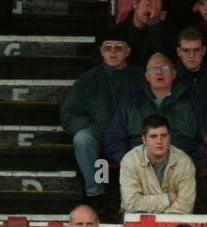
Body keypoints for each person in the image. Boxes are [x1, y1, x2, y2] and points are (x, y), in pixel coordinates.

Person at [61, 28, 145, 212]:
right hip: (100, 141)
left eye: (119, 47)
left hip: (132, 139)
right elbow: (68, 115)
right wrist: (94, 127)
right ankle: (96, 195)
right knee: (83, 139)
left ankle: (133, 198)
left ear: (128, 51)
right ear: (101, 51)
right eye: (108, 47)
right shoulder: (87, 80)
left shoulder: (141, 78)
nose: (113, 52)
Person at [119, 114, 197, 214]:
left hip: (174, 221)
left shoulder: (184, 162)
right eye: (153, 136)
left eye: (163, 136)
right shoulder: (130, 160)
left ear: (169, 138)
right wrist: (167, 199)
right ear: (144, 140)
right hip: (137, 220)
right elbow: (131, 204)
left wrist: (159, 219)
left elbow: (185, 207)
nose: (159, 141)